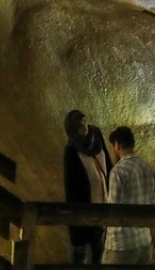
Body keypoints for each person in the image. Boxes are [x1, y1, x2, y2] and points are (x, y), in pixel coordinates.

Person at [63, 110, 111, 264]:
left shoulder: (96, 136)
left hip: (103, 206)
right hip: (84, 211)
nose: (84, 127)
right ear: (72, 129)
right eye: (79, 125)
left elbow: (108, 166)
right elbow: (71, 188)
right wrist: (76, 218)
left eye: (85, 122)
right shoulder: (71, 151)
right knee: (80, 255)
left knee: (100, 253)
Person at [105, 126, 155, 265]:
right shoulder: (149, 167)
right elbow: (154, 204)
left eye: (112, 147)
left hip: (122, 244)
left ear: (117, 145)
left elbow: (113, 211)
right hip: (144, 241)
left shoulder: (118, 172)